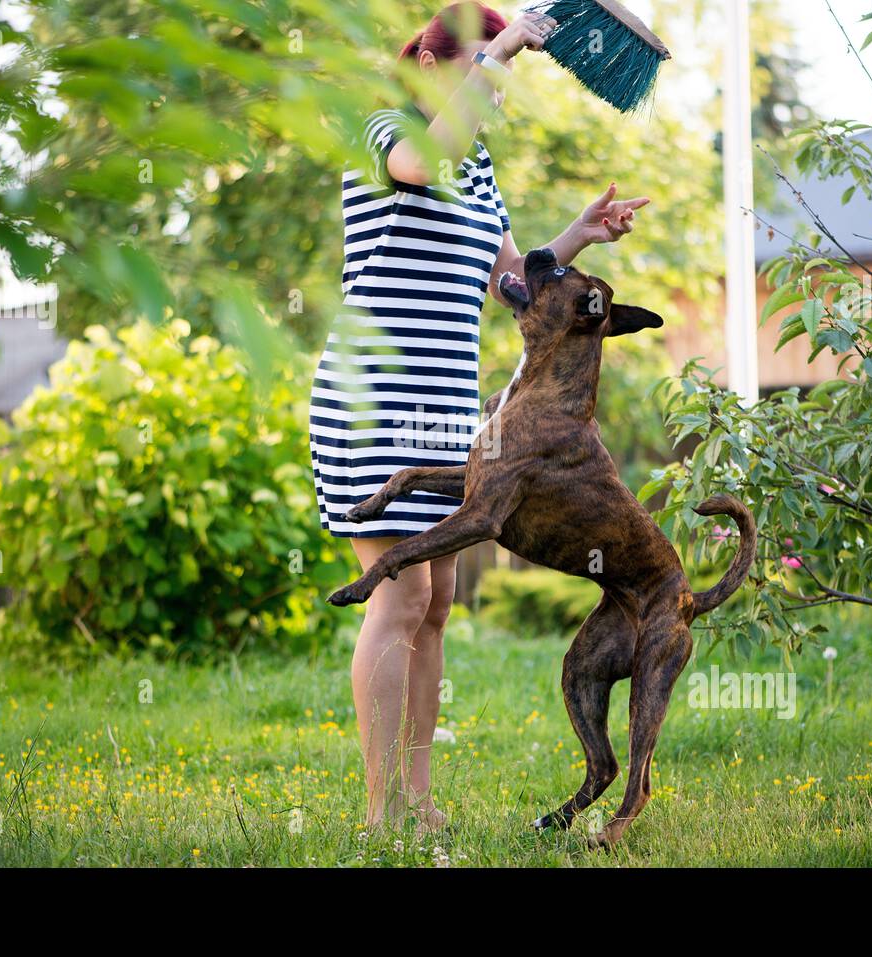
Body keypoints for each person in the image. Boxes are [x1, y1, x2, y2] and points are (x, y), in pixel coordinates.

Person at [308, 1, 650, 834]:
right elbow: (419, 167)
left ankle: (420, 805)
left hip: (448, 408)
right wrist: (501, 50)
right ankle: (381, 815)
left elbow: (513, 283)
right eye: (477, 73)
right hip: (373, 396)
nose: (491, 93)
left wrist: (578, 236)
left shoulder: (479, 165)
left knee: (435, 603)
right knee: (399, 592)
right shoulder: (384, 127)